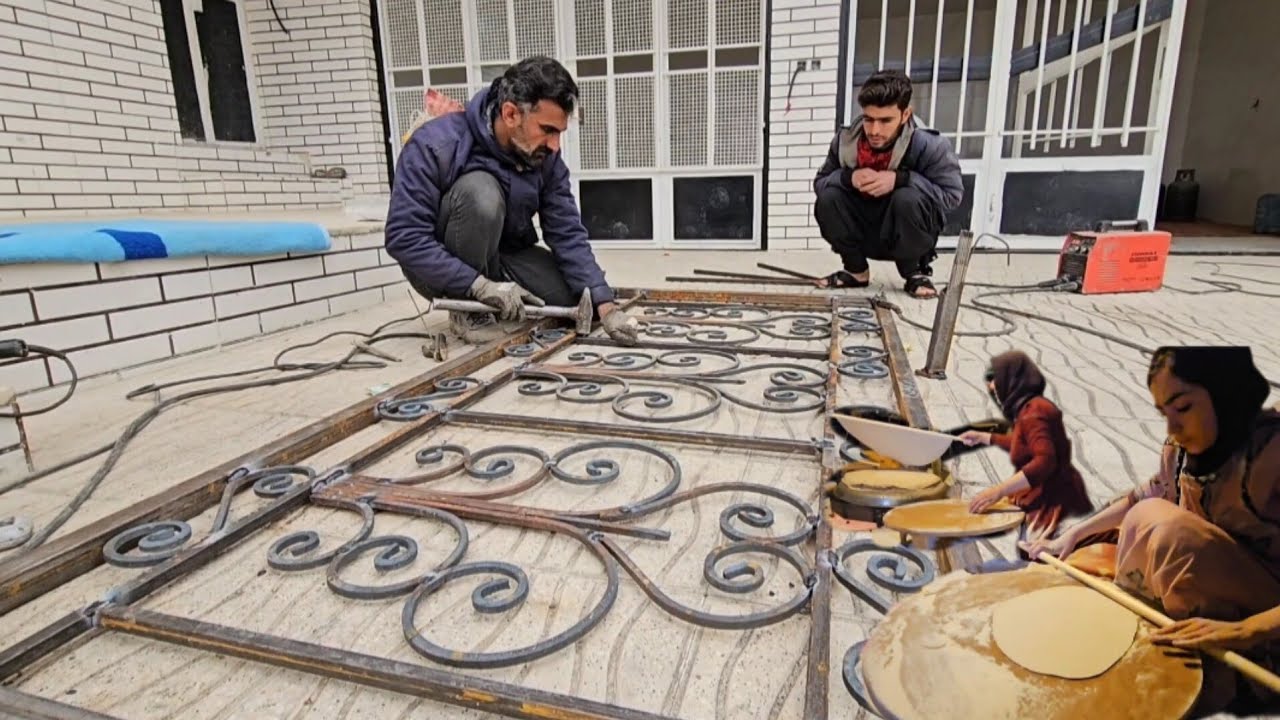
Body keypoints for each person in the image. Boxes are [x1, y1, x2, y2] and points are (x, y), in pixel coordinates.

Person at [1024, 346, 1280, 716]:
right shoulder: (1182, 448)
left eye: (1184, 407)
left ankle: (1237, 674)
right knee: (1092, 554)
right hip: (1212, 577)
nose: (1172, 427)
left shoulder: (1271, 455)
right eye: (1164, 412)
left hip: (1265, 615)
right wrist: (1073, 534)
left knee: (1171, 534)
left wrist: (1246, 631)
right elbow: (1144, 497)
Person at [385, 56, 640, 346]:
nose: (555, 145)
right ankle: (466, 310)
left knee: (576, 296)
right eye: (548, 130)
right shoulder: (436, 145)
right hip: (441, 270)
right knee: (481, 193)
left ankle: (497, 292)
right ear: (510, 114)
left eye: (559, 132)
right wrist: (476, 285)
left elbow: (566, 231)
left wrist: (604, 303)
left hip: (502, 256)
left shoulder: (545, 158)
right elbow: (404, 237)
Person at [812, 70, 963, 299]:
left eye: (885, 121)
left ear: (905, 114)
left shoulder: (929, 144)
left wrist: (901, 179)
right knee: (828, 197)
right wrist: (847, 178)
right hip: (865, 228)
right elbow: (820, 183)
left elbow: (951, 196)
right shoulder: (845, 141)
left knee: (907, 198)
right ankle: (856, 271)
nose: (874, 130)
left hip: (905, 228)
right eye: (868, 119)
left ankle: (914, 273)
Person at [960, 351, 1094, 549]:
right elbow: (1025, 444)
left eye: (995, 379)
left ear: (1012, 380)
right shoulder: (1030, 407)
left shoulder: (1033, 414)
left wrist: (998, 491)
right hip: (1046, 497)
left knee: (1038, 556)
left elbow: (1044, 461)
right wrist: (986, 438)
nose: (991, 386)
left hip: (1052, 502)